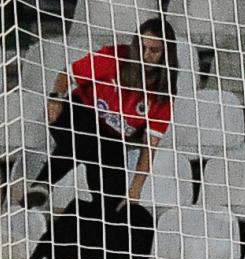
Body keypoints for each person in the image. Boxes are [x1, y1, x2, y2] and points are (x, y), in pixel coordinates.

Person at [27, 18, 179, 212]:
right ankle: (44, 183)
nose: (145, 55)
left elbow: (150, 147)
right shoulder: (115, 56)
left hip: (111, 138)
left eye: (154, 51)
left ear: (167, 54)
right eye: (142, 47)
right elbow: (68, 74)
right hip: (77, 114)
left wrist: (135, 189)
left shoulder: (163, 95)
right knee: (87, 139)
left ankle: (58, 198)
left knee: (113, 203)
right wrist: (55, 98)